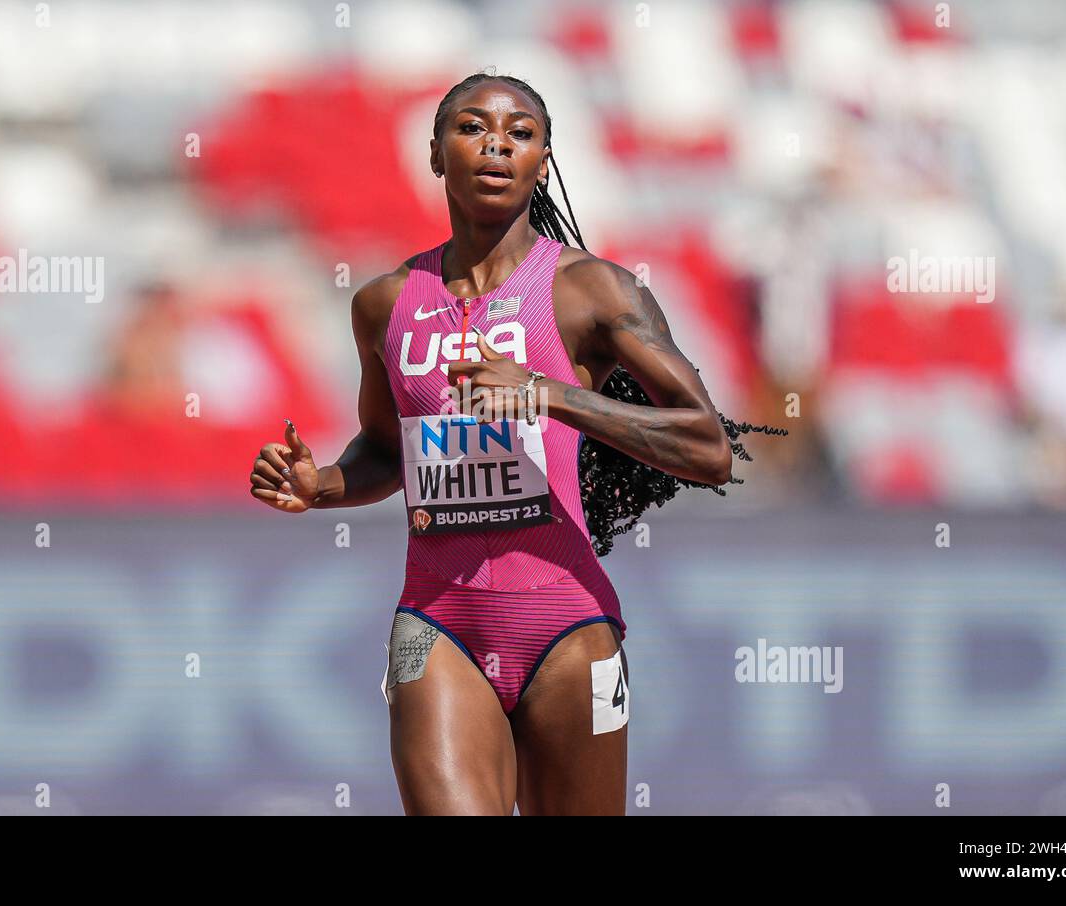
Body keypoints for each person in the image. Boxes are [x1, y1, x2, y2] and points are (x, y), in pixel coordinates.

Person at [250, 72, 784, 815]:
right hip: (437, 620)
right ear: (435, 154)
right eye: (471, 128)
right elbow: (383, 448)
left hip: (567, 627)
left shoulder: (593, 291)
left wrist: (544, 393)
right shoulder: (383, 303)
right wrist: (324, 487)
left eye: (520, 133)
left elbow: (709, 447)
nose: (496, 144)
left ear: (543, 160)